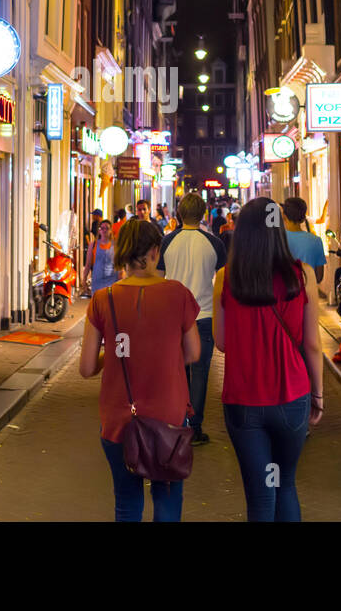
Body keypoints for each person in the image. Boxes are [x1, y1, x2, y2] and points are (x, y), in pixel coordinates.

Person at [80, 219, 200, 522]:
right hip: (169, 418)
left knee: (127, 502)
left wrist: (118, 352)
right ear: (155, 252)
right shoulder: (178, 294)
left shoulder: (102, 300)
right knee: (168, 499)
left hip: (120, 420)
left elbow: (86, 367)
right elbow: (194, 352)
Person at [214, 196, 325, 521]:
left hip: (243, 400)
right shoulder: (302, 275)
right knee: (285, 484)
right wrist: (317, 395)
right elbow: (313, 345)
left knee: (261, 495)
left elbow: (221, 343)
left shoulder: (227, 277)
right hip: (292, 398)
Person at [158, 192, 227, 446]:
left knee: (177, 372)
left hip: (173, 317)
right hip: (204, 315)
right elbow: (221, 281)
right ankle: (195, 427)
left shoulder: (166, 242)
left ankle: (179, 422)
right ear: (203, 213)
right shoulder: (214, 244)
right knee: (200, 373)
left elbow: (158, 278)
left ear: (179, 213)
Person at [282, 197, 327, 284]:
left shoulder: (278, 239)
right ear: (303, 218)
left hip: (286, 293)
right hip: (307, 294)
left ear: (284, 216)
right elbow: (319, 277)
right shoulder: (316, 241)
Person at [85, 220, 117, 299]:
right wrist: (84, 279)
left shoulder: (116, 245)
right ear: (99, 230)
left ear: (111, 230)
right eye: (102, 228)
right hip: (97, 282)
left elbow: (118, 265)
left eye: (107, 228)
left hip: (111, 282)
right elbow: (88, 264)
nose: (104, 230)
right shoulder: (93, 245)